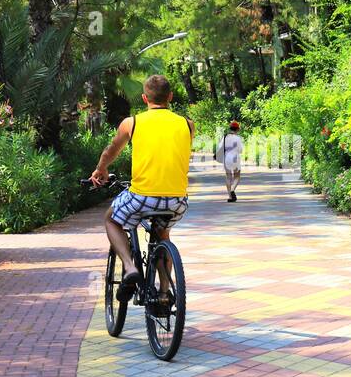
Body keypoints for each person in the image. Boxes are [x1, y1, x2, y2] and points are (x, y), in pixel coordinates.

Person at [90, 74, 193, 302]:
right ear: (171, 97)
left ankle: (130, 268)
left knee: (111, 219)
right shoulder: (188, 124)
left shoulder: (132, 123)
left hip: (142, 196)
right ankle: (165, 295)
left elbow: (111, 150)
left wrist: (101, 169)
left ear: (145, 98)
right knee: (163, 234)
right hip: (177, 200)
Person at [218, 120, 244, 202]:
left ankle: (230, 196)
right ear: (237, 129)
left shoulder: (225, 137)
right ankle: (232, 189)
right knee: (237, 176)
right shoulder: (238, 138)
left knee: (228, 177)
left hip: (226, 158)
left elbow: (219, 147)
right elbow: (240, 150)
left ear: (230, 128)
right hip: (235, 158)